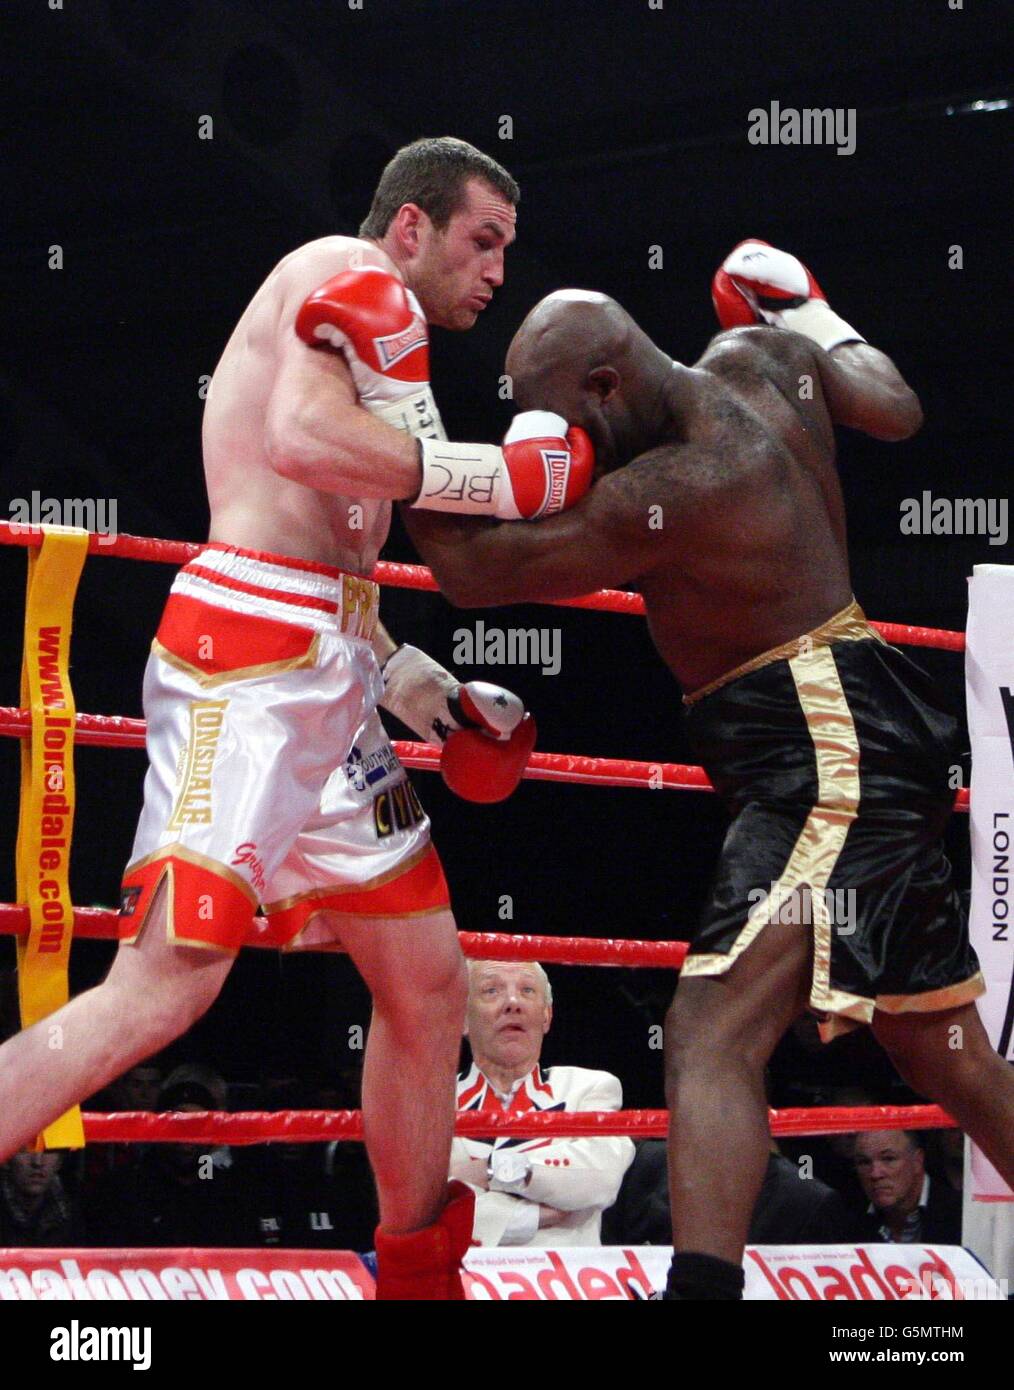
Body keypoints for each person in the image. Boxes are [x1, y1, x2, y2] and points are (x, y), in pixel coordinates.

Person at [0, 136, 593, 1300]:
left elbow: (340, 574)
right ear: (413, 226)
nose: (497, 273)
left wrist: (420, 685)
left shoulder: (392, 356)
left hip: (324, 680)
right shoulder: (347, 269)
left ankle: (417, 1276)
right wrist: (502, 479)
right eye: (484, 241)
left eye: (508, 252)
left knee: (426, 984)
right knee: (166, 985)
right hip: (245, 667)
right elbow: (296, 443)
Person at [402, 240, 1014, 1298]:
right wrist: (813, 308)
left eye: (569, 420)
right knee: (941, 1047)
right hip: (855, 723)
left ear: (604, 387)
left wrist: (389, 428)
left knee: (710, 1026)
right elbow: (896, 406)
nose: (569, 448)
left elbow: (470, 571)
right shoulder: (761, 355)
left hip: (819, 746)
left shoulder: (679, 488)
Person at [451, 959, 633, 1246]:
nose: (513, 1003)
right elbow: (427, 1209)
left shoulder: (589, 1088)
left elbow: (600, 1180)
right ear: (461, 1018)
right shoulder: (433, 1103)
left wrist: (492, 1169)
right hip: (466, 1284)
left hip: (566, 1283)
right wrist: (536, 1215)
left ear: (546, 1016)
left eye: (527, 991)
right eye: (491, 991)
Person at [849, 1129, 962, 1244]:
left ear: (917, 1160)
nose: (875, 1174)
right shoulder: (844, 1218)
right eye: (864, 1162)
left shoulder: (963, 1215)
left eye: (888, 1159)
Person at [0, 1147, 81, 1247]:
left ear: (60, 1161)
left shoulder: (76, 1209)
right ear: (6, 1159)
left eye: (48, 1151)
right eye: (25, 1150)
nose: (37, 1162)